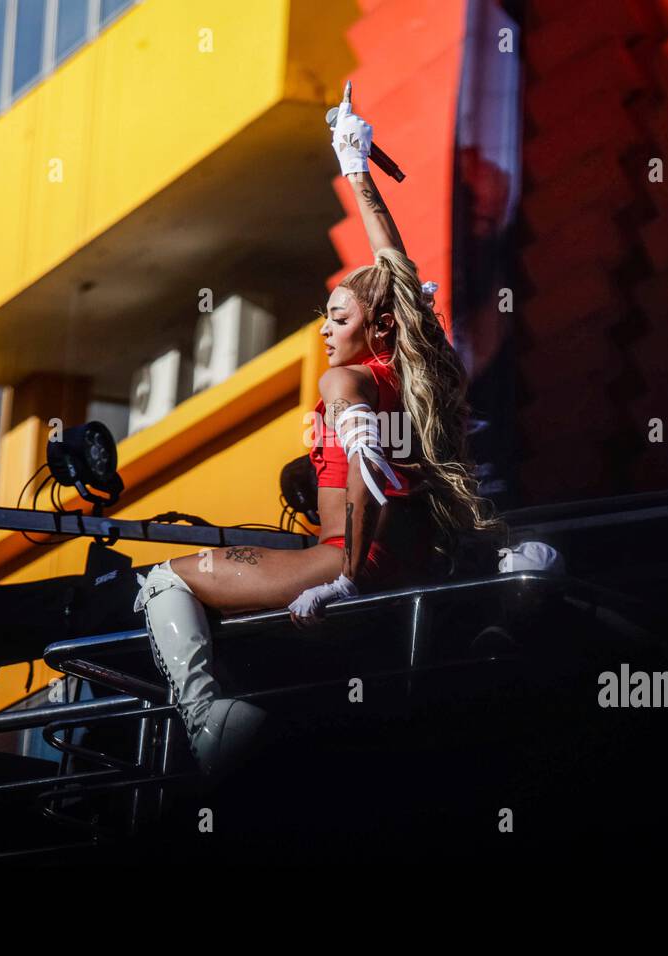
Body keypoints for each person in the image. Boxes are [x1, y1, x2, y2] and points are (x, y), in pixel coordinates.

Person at [135, 92, 508, 781]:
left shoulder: (347, 385)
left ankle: (211, 722)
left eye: (336, 318)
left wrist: (343, 576)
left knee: (161, 582)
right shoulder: (421, 378)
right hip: (408, 568)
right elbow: (393, 268)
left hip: (346, 563)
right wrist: (355, 165)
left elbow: (372, 474)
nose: (324, 329)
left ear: (374, 329)